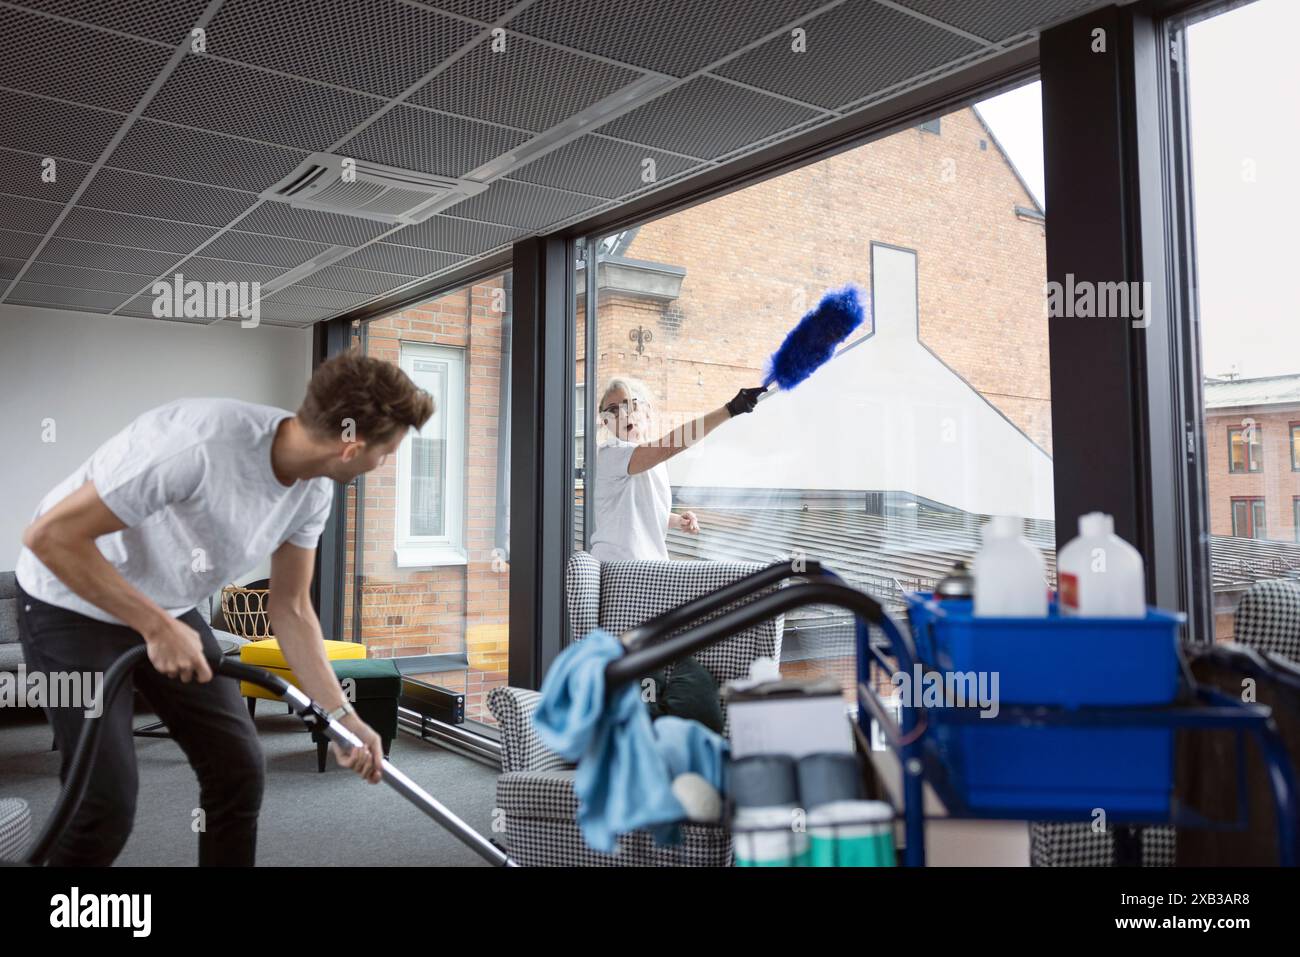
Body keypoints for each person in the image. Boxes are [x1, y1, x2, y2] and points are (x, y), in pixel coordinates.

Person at [14, 350, 433, 866]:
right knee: (103, 804)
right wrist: (155, 625)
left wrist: (341, 717)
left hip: (167, 605)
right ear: (352, 447)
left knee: (237, 769)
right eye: (386, 451)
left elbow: (292, 609)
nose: (384, 463)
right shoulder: (201, 444)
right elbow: (49, 536)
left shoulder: (314, 489)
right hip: (70, 599)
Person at [589, 376, 764, 563]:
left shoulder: (655, 462)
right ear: (606, 423)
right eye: (613, 411)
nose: (623, 415)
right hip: (619, 567)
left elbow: (642, 513)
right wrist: (730, 409)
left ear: (647, 411)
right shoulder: (611, 453)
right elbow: (670, 445)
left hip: (650, 565)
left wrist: (677, 520)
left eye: (629, 405)